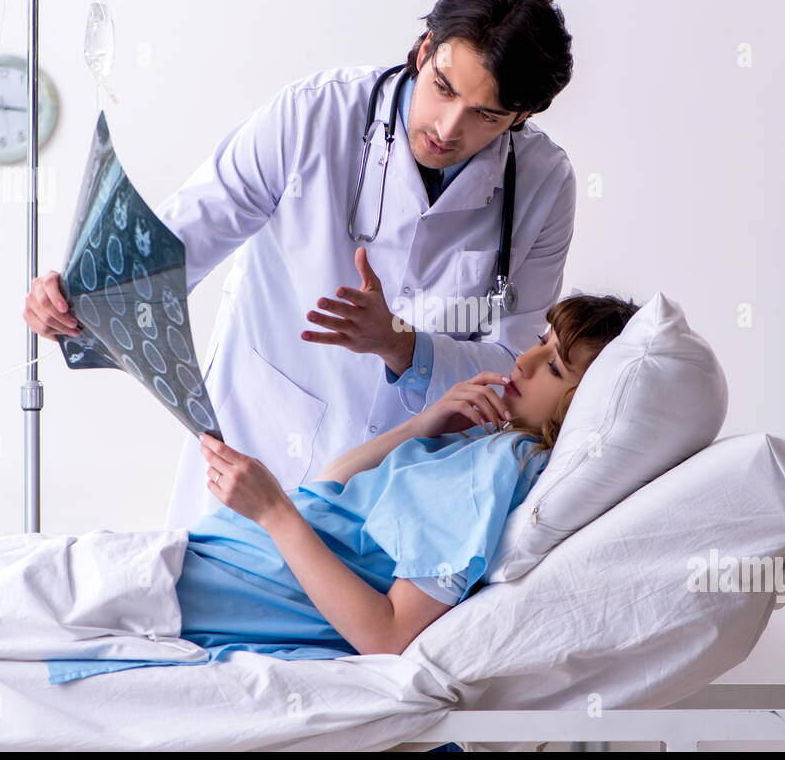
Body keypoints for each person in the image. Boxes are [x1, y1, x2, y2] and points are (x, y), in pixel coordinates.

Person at [22, 0, 577, 539]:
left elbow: (516, 367)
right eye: (444, 87)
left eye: (486, 115)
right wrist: (82, 296)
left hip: (415, 479)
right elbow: (186, 231)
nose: (447, 126)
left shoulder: (544, 186)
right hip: (265, 439)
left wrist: (401, 344)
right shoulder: (315, 115)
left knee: (363, 624)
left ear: (521, 118)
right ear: (423, 49)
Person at [44, 293, 638, 684]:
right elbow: (329, 492)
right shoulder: (475, 445)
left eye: (555, 368)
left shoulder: (502, 466)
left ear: (580, 411)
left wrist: (274, 512)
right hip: (188, 567)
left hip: (192, 594)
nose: (526, 361)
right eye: (541, 341)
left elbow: (390, 635)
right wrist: (422, 424)